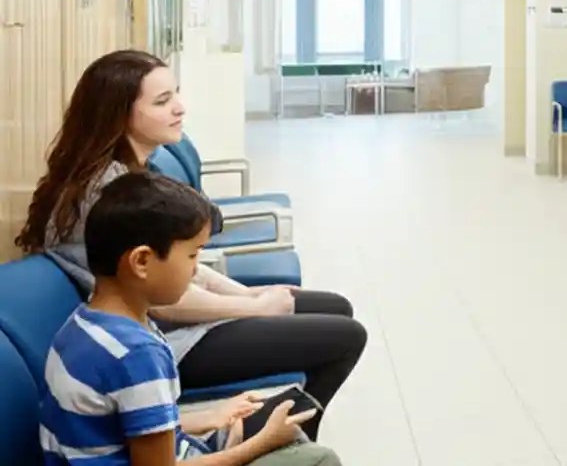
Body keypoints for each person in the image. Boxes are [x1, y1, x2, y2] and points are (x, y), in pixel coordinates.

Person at [15, 50, 366, 441]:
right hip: (163, 338)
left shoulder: (133, 171)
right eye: (162, 101)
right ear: (119, 113)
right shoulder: (109, 192)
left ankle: (283, 434)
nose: (180, 108)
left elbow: (183, 263)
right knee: (345, 336)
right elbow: (162, 298)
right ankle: (274, 439)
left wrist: (251, 295)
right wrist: (253, 307)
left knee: (335, 307)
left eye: (176, 94)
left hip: (164, 318)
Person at [39, 171, 342, 465]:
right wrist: (260, 444)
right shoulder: (137, 355)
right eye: (192, 255)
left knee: (288, 410)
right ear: (142, 261)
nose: (195, 269)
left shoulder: (83, 324)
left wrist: (212, 417)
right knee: (318, 458)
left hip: (179, 450)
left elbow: (127, 429)